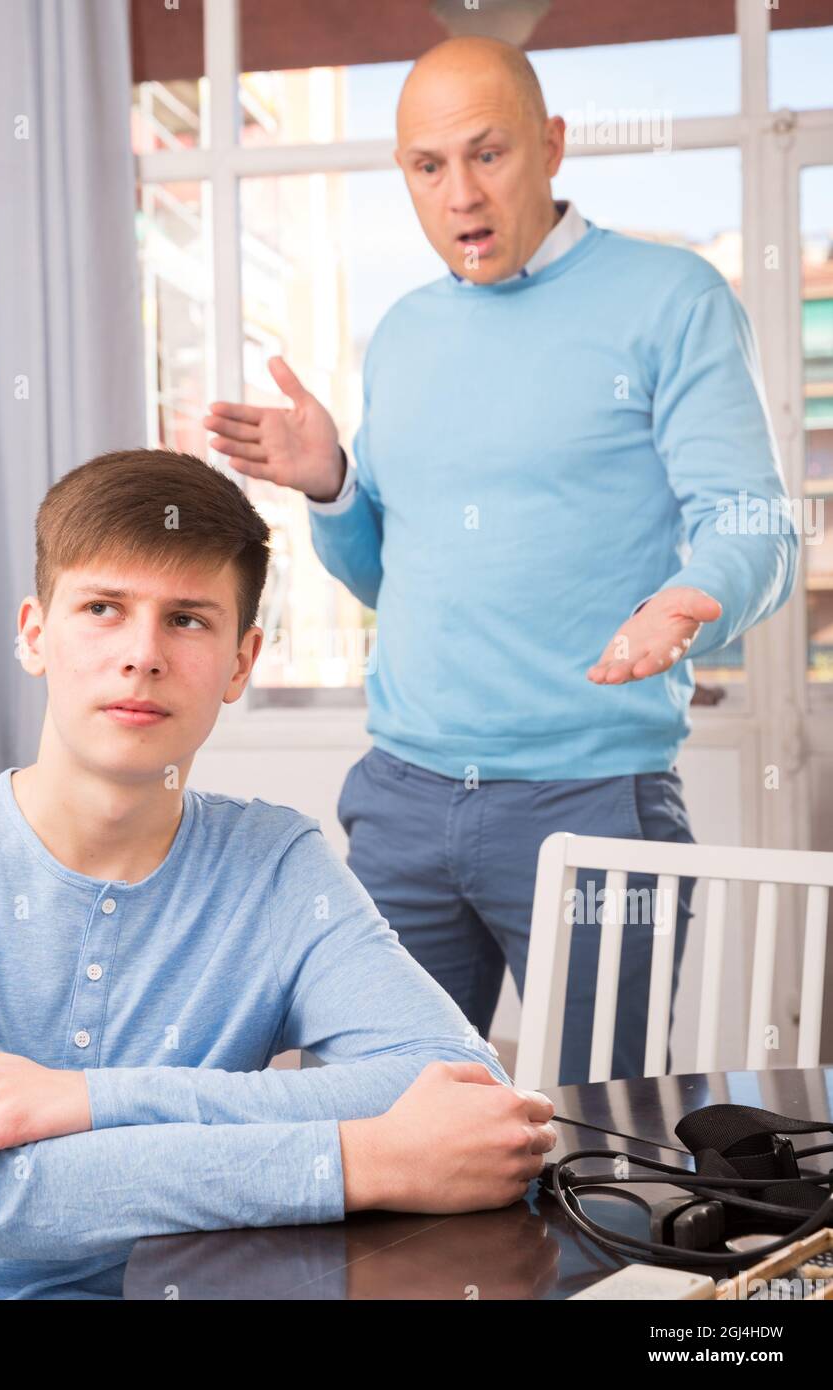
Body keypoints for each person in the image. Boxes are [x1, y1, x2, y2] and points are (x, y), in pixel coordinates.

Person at [0, 448, 557, 1302]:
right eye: (103, 608)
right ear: (34, 633)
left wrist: (87, 1099)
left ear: (241, 662)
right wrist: (360, 1159)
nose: (142, 654)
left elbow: (461, 1087)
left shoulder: (276, 863)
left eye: (188, 620)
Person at [204, 37, 799, 1085]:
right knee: (383, 1119)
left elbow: (755, 521)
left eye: (489, 154)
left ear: (552, 144)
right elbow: (399, 581)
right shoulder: (403, 333)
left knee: (594, 1137)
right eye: (429, 167)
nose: (461, 195)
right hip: (403, 795)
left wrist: (685, 599)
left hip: (590, 794)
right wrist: (332, 484)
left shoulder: (671, 298)